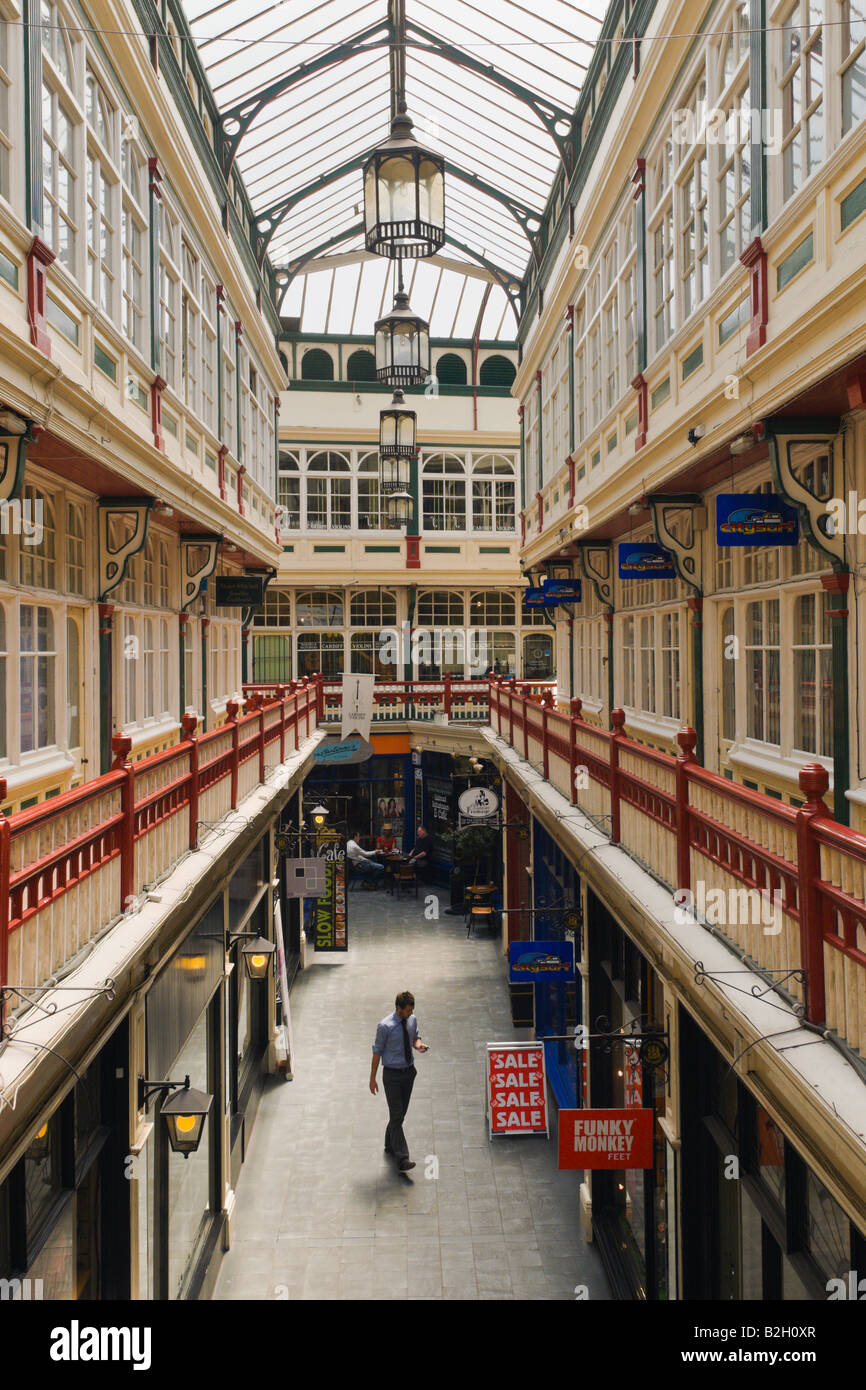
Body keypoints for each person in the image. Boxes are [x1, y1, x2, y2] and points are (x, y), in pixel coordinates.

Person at [370, 990, 429, 1172]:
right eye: (408, 1010)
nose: (410, 1013)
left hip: (408, 1073)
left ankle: (389, 1143)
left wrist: (419, 1045)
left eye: (412, 1010)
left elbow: (414, 1038)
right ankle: (403, 1158)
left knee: (400, 1114)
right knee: (397, 1115)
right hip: (392, 1076)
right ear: (398, 1008)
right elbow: (377, 1052)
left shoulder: (412, 1020)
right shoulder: (385, 1026)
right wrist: (372, 1078)